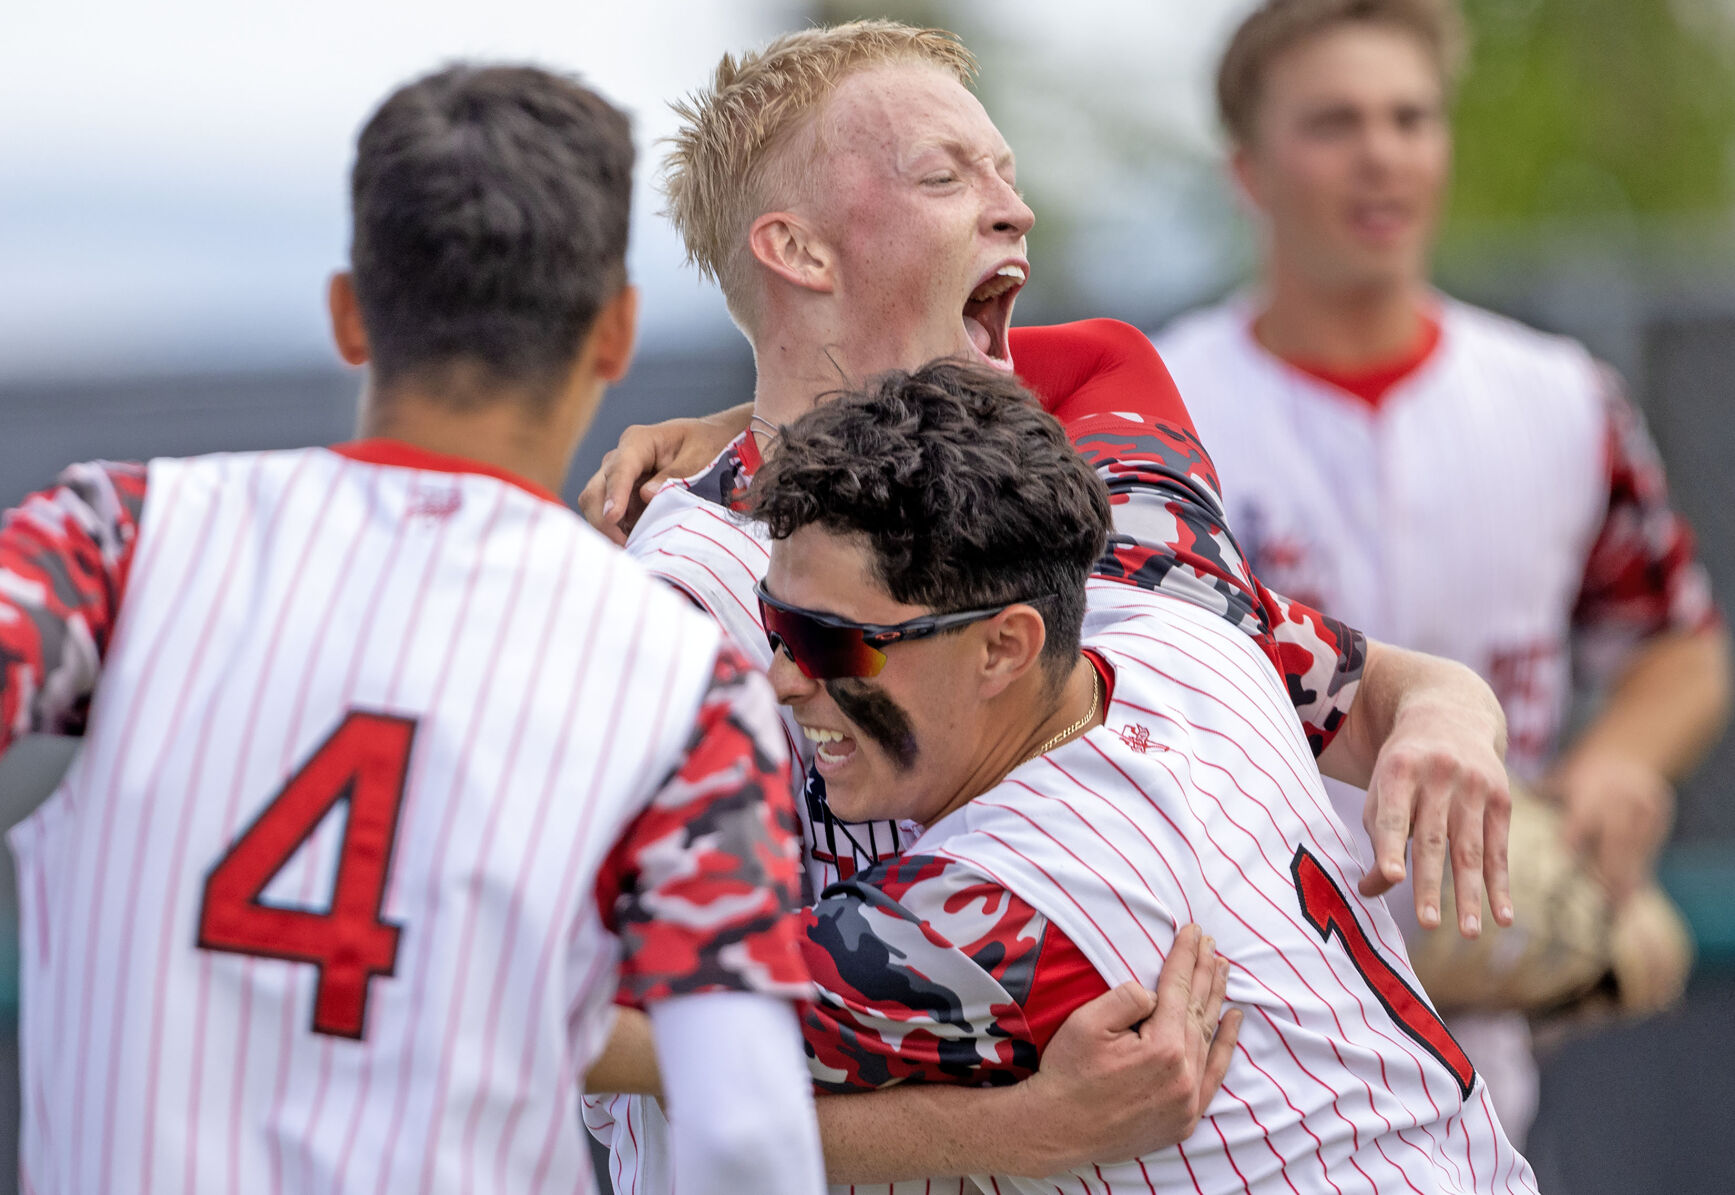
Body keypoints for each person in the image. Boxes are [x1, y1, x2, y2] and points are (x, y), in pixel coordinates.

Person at [581, 22, 1521, 1188]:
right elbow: (617, 1055)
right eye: (945, 176)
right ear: (797, 249)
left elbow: (596, 1016)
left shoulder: (1086, 463)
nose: (1011, 209)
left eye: (1006, 173)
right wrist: (1001, 1132)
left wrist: (1444, 706)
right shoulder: (674, 608)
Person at [0, 64, 824, 1195]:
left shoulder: (116, 538)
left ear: (349, 312)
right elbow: (744, 1134)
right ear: (615, 334)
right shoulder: (691, 682)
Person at [1152, 0, 1731, 1142]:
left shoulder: (1558, 398)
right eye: (1332, 122)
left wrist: (1617, 762)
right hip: (1225, 1047)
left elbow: (1677, 641)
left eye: (1409, 117)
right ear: (1249, 171)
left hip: (1484, 1053)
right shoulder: (1157, 417)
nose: (1380, 152)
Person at [758, 360, 1536, 1192]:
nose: (781, 675)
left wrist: (1010, 1132)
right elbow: (1102, 356)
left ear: (1003, 647)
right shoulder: (1184, 610)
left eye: (832, 643)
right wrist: (1445, 707)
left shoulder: (985, 908)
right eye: (775, 623)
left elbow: (632, 1027)